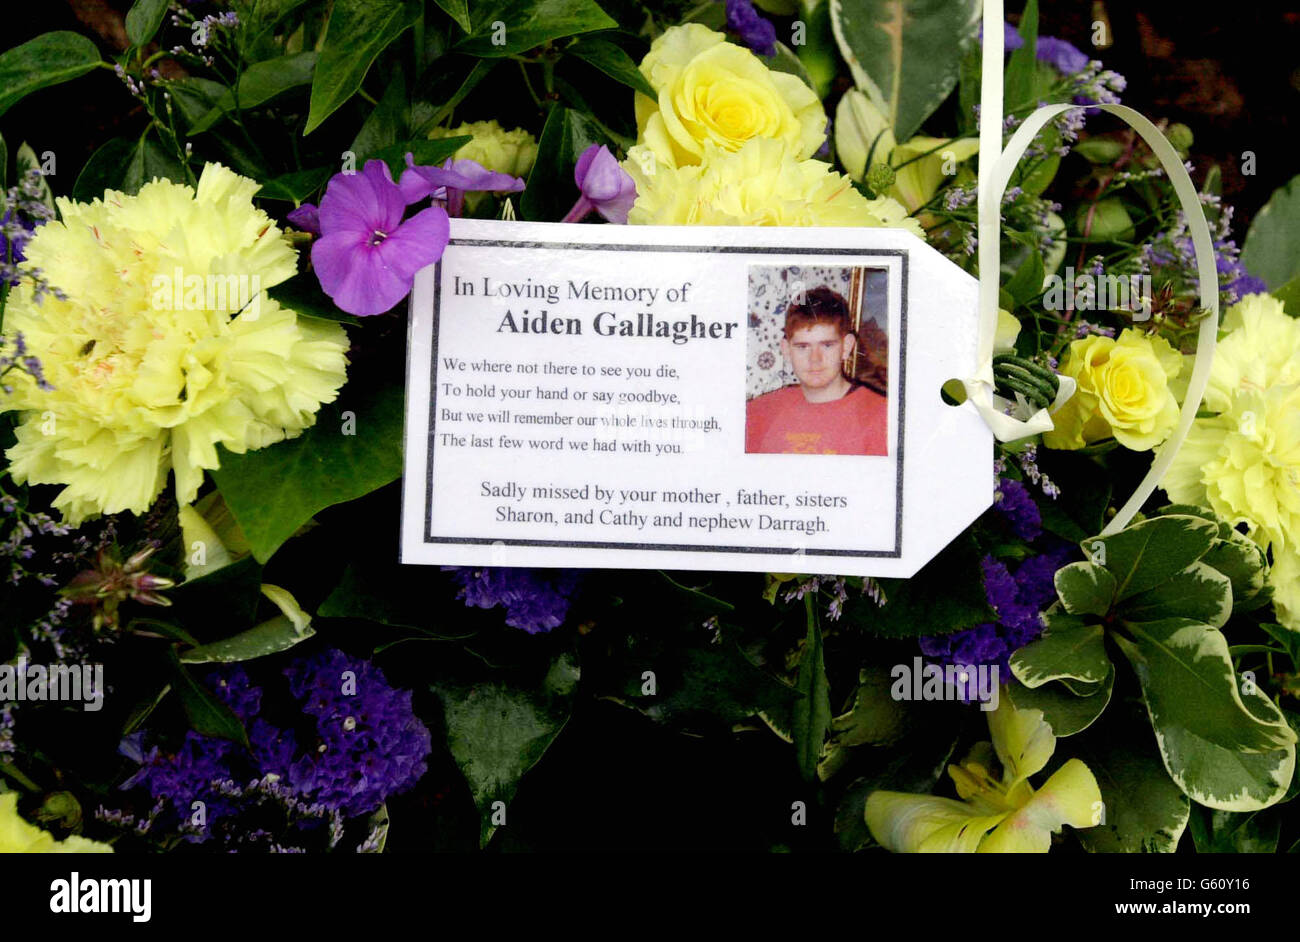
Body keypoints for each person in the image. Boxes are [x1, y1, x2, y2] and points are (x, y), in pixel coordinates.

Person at [745, 285, 888, 455]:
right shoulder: (758, 413)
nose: (815, 359)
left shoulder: (881, 418)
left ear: (846, 347)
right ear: (786, 349)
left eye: (827, 345)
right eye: (803, 346)